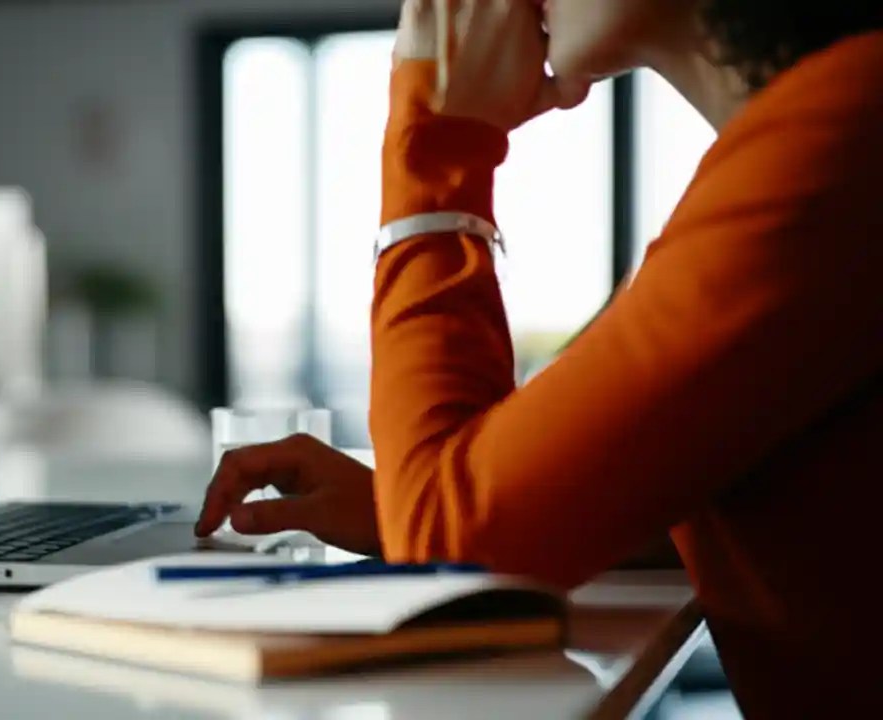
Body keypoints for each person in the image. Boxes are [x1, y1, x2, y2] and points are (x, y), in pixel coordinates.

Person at [196, 0, 883, 714]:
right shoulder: (818, 136)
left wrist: (437, 140)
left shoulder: (845, 136)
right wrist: (398, 505)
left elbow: (457, 538)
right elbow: (684, 498)